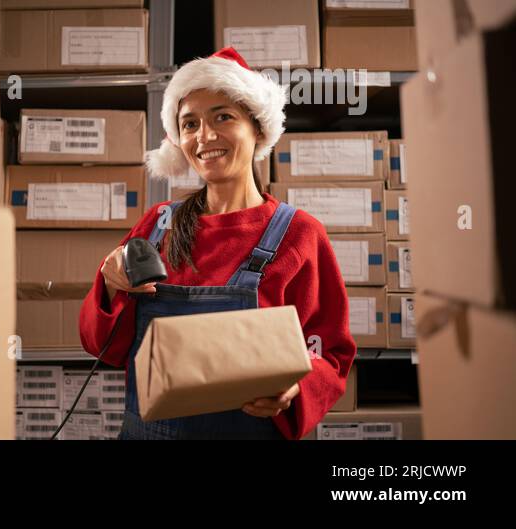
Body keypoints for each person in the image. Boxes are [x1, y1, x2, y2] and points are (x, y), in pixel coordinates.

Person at [78, 47, 355, 440]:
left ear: (257, 128)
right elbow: (104, 347)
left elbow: (331, 354)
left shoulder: (300, 234)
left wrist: (297, 388)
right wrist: (109, 287)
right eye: (189, 124)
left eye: (223, 116)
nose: (204, 136)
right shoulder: (158, 227)